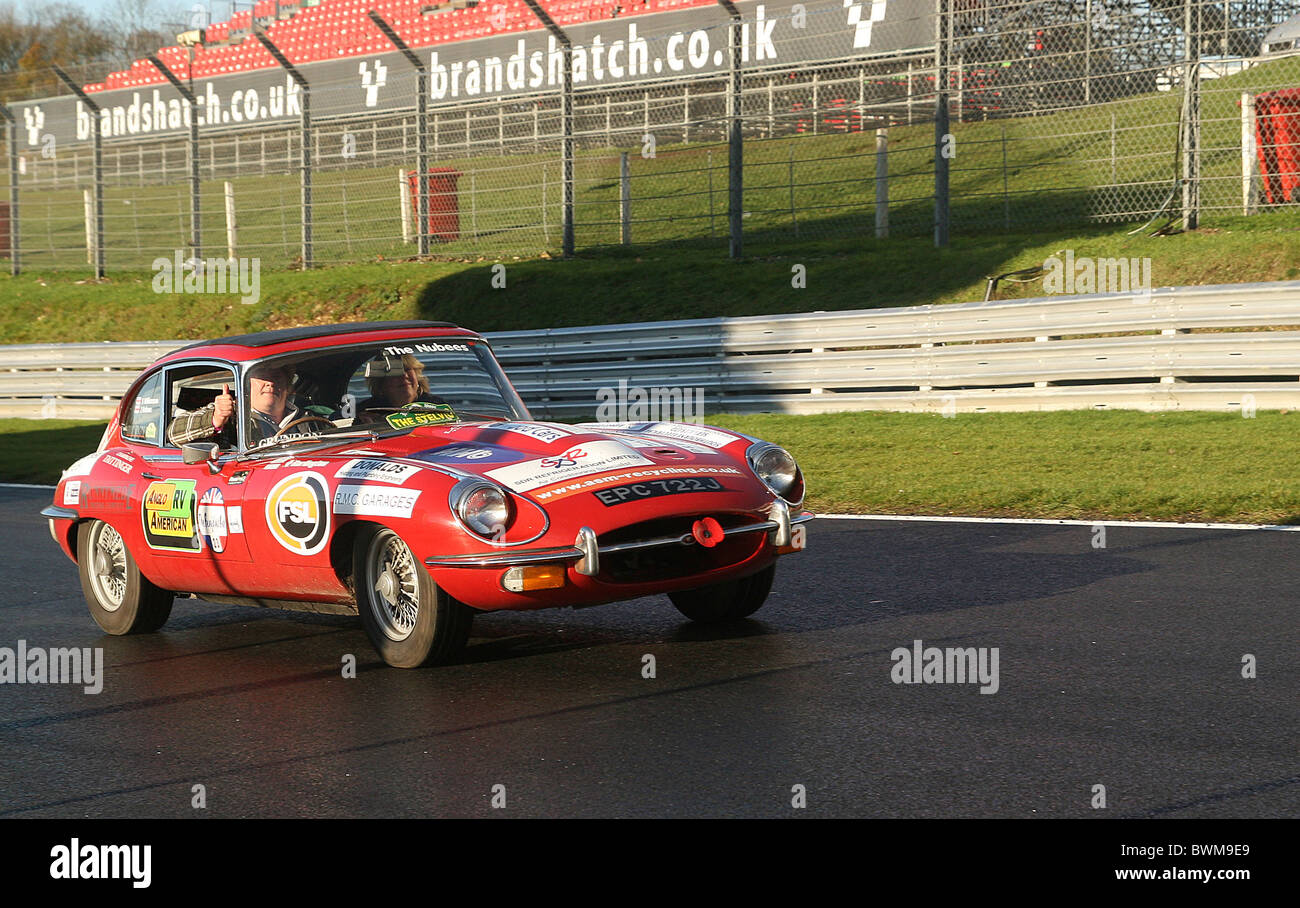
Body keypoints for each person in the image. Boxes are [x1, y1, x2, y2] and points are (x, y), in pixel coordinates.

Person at [168, 363, 303, 447]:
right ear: (246, 385)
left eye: (276, 377)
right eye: (262, 377)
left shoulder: (308, 418)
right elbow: (174, 433)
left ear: (288, 387)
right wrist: (215, 418)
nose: (270, 383)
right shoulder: (232, 415)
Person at [352, 354, 446, 412]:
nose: (404, 376)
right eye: (395, 371)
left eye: (407, 369)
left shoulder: (436, 406)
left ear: (417, 376)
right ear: (381, 384)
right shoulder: (368, 411)